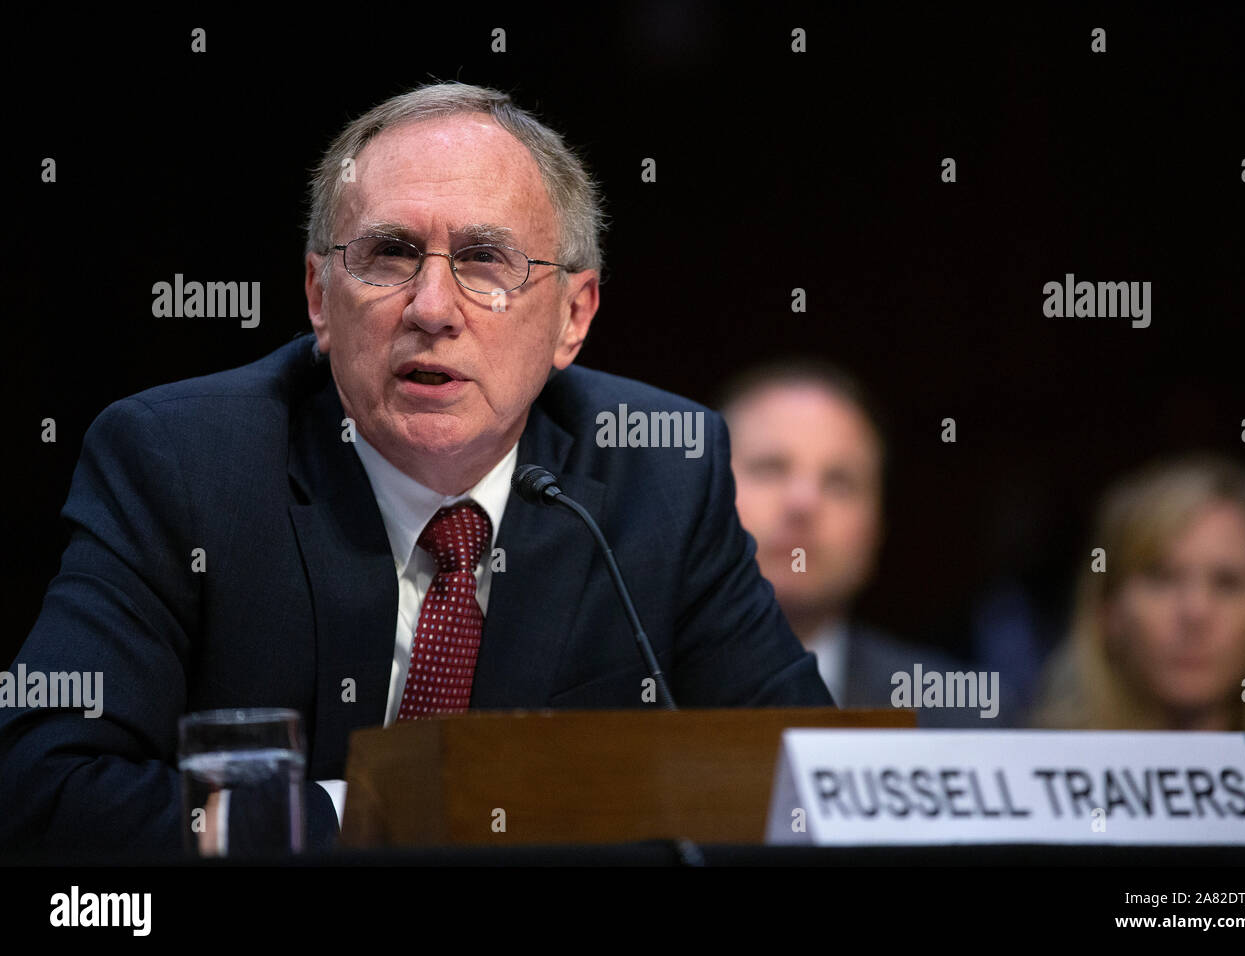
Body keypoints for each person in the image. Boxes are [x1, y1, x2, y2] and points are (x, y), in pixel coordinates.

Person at [0, 82, 831, 855]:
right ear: (321, 298)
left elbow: (814, 789)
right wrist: (375, 812)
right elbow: (43, 793)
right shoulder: (182, 464)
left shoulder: (660, 472)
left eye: (485, 260)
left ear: (572, 318)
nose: (432, 309)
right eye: (391, 254)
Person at [1031, 454, 1245, 838]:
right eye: (1161, 577)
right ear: (1108, 611)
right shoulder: (1031, 797)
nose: (1195, 612)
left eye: (1227, 582)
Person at [719, 362, 988, 725]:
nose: (803, 503)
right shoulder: (624, 693)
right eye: (770, 468)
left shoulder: (961, 718)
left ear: (878, 529)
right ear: (702, 495)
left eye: (839, 482)